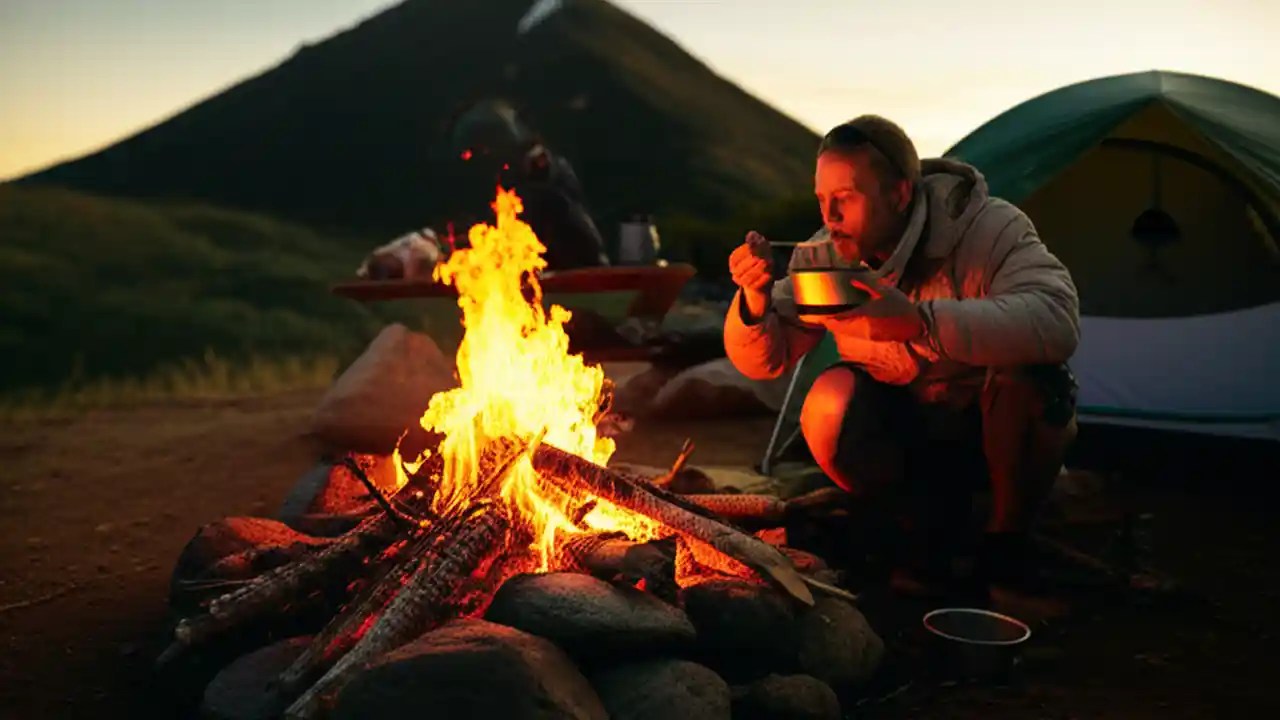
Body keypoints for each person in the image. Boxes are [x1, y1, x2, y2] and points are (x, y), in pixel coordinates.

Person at [723, 115, 1081, 600]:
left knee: (1036, 382)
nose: (830, 215)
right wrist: (754, 300)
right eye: (822, 199)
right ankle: (918, 530)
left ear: (899, 194)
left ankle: (1006, 544)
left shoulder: (987, 228)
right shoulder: (826, 255)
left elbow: (1056, 319)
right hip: (904, 436)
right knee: (828, 400)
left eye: (845, 197)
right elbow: (764, 361)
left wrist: (919, 323)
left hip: (984, 434)